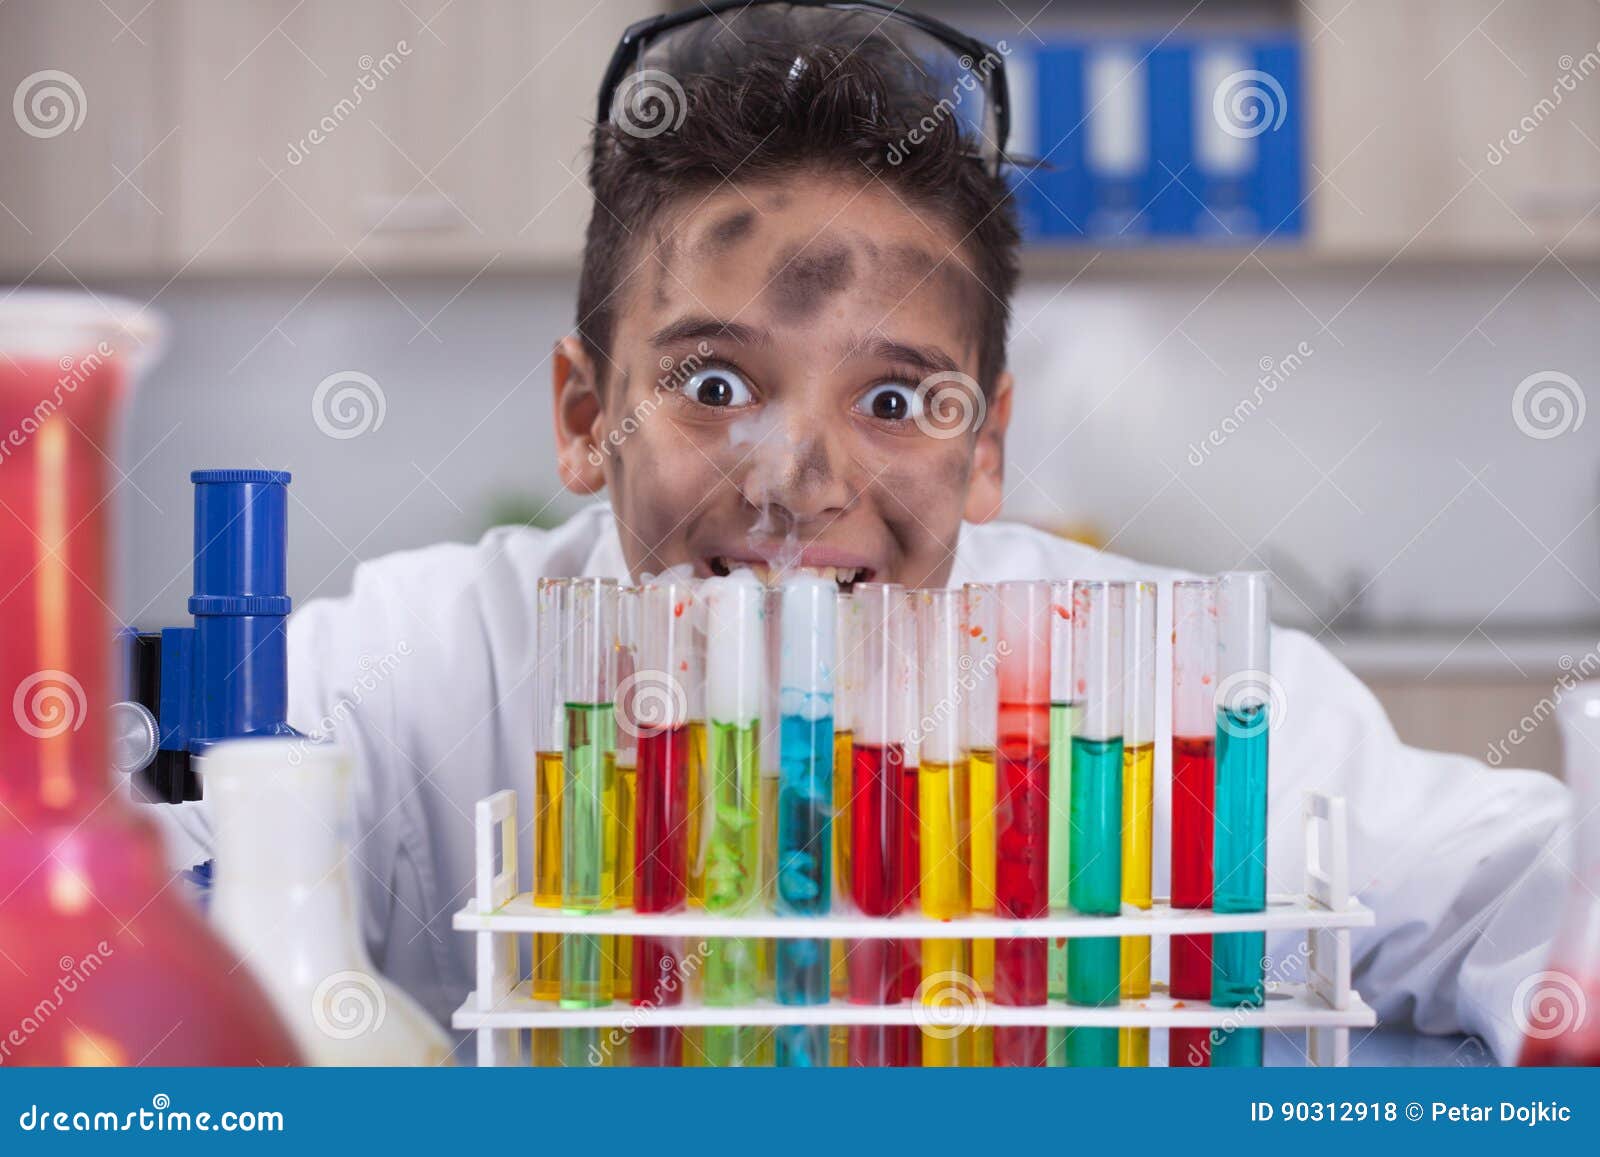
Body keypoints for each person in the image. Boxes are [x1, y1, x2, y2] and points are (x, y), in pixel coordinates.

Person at [153, 2, 1569, 1063]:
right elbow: (125, 847)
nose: (799, 480)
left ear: (987, 444)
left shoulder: (1151, 692)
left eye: (896, 396)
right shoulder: (429, 659)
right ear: (586, 415)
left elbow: (1511, 887)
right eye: (716, 384)